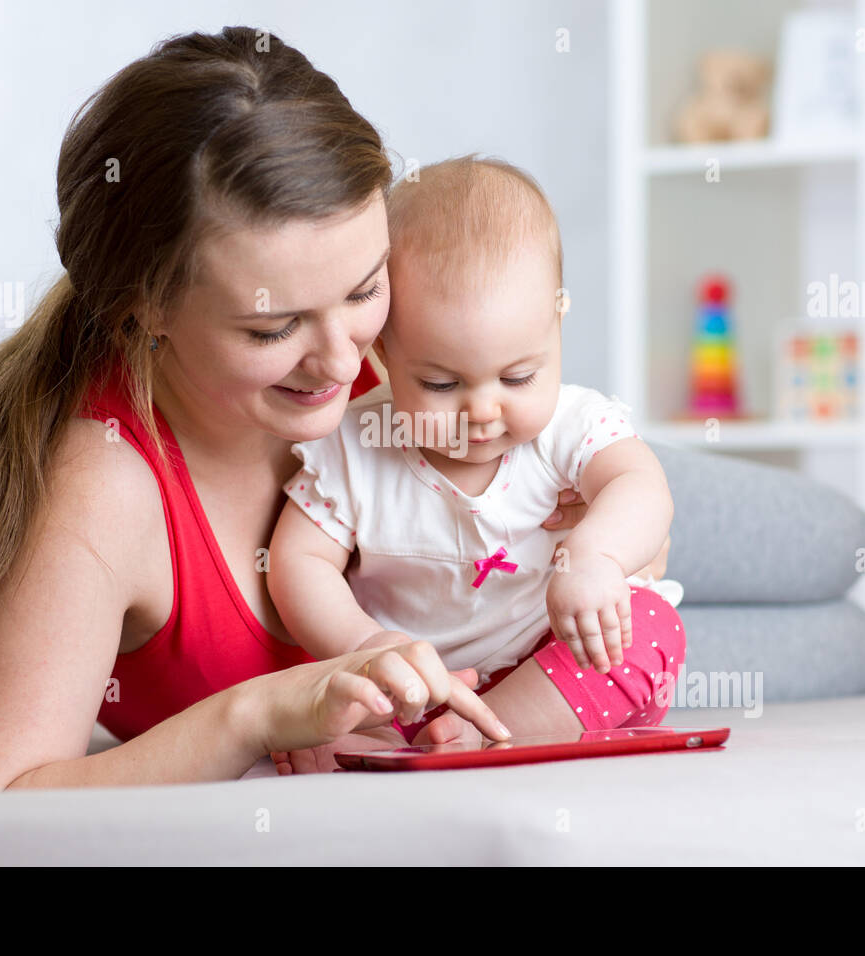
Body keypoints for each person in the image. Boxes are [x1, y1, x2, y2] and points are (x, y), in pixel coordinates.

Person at [0, 28, 548, 788]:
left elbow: (578, 485)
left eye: (364, 289)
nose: (345, 360)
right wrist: (255, 715)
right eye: (274, 327)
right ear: (145, 308)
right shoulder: (100, 491)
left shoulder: (405, 370)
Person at [266, 157, 683, 773]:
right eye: (439, 383)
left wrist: (596, 556)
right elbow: (297, 561)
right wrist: (364, 646)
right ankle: (414, 737)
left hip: (552, 659)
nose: (484, 411)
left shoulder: (573, 425)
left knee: (650, 628)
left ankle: (494, 732)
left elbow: (641, 485)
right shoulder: (358, 439)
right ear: (384, 350)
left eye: (518, 376)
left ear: (557, 324)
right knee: (315, 695)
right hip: (415, 683)